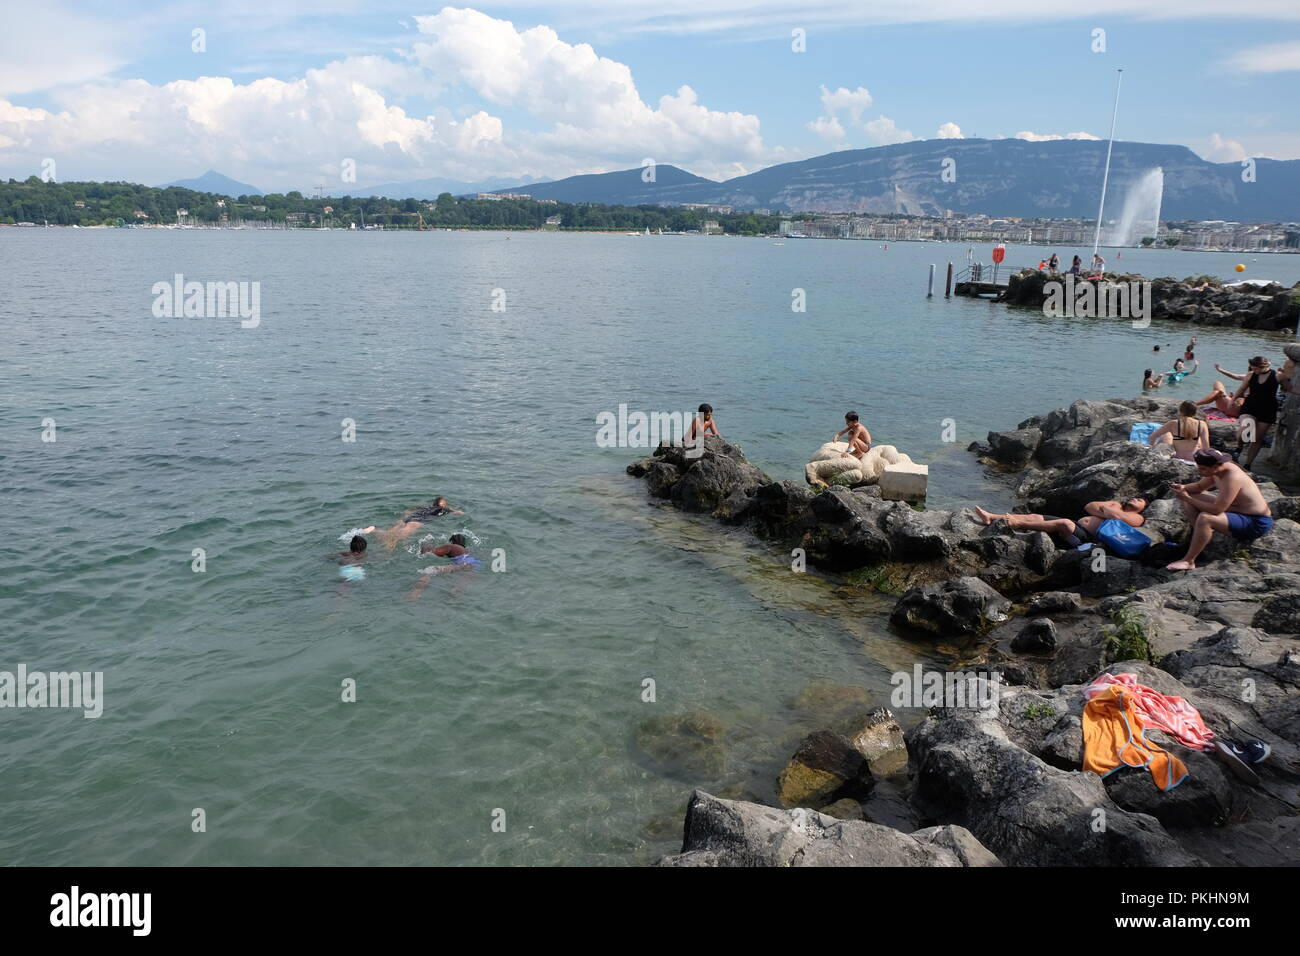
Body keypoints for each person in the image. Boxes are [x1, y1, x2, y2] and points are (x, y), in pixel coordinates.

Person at [1166, 449, 1272, 571]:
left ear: (1215, 466)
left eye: (1203, 469)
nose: (1199, 471)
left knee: (1205, 518)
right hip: (1237, 511)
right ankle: (1200, 537)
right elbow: (1199, 487)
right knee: (1189, 497)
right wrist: (1183, 488)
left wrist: (1187, 498)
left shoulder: (1233, 477)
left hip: (1255, 522)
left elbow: (1217, 510)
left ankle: (1189, 561)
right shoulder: (1217, 470)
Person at [973, 497, 1148, 549]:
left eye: (1140, 500)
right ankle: (992, 516)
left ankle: (1016, 524)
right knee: (1035, 516)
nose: (1135, 498)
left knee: (1063, 523)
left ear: (1141, 508)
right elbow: (1089, 505)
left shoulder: (1138, 518)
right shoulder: (1116, 504)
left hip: (1087, 539)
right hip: (1077, 525)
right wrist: (1110, 511)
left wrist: (1107, 511)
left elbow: (1115, 518)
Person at [1232, 356, 1280, 469]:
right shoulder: (1251, 375)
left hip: (1268, 409)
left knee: (1257, 438)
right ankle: (1239, 447)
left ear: (1263, 367)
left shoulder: (1278, 376)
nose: (1254, 370)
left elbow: (1290, 388)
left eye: (1255, 368)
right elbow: (1242, 388)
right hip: (1250, 406)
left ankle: (1248, 464)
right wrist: (1232, 399)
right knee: (1246, 428)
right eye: (1252, 368)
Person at [364, 496, 464, 548]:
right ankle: (376, 532)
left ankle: (374, 531)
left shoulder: (427, 507)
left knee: (391, 532)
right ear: (444, 505)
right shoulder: (443, 509)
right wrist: (454, 509)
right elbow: (459, 512)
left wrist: (407, 513)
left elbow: (413, 508)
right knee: (400, 536)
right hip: (416, 522)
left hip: (409, 518)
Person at [407, 533, 480, 599]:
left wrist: (425, 543)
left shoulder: (453, 547)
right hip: (474, 568)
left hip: (463, 565)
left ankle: (415, 593)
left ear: (452, 542)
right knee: (457, 588)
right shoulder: (468, 551)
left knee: (429, 572)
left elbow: (429, 552)